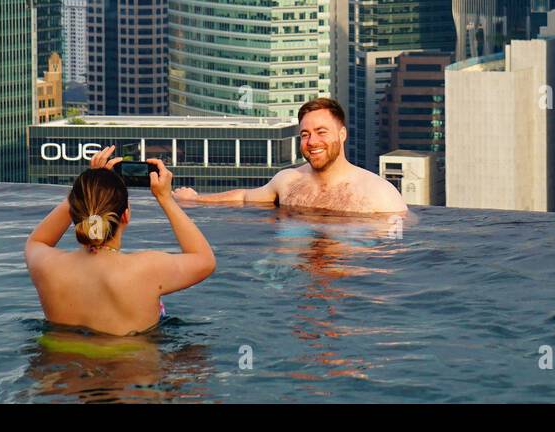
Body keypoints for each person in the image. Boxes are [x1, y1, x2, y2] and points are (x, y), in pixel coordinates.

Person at [24, 153, 215, 336]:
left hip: (59, 364)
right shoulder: (147, 269)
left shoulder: (47, 266)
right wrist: (165, 198)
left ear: (74, 210)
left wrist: (89, 186)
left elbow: (37, 239)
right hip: (128, 365)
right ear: (126, 215)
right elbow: (205, 260)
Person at [173, 97, 408, 215]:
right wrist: (195, 199)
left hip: (347, 282)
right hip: (289, 283)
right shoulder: (287, 181)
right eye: (305, 134)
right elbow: (244, 197)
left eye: (321, 132)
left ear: (343, 134)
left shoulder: (378, 193)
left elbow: (396, 252)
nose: (312, 142)